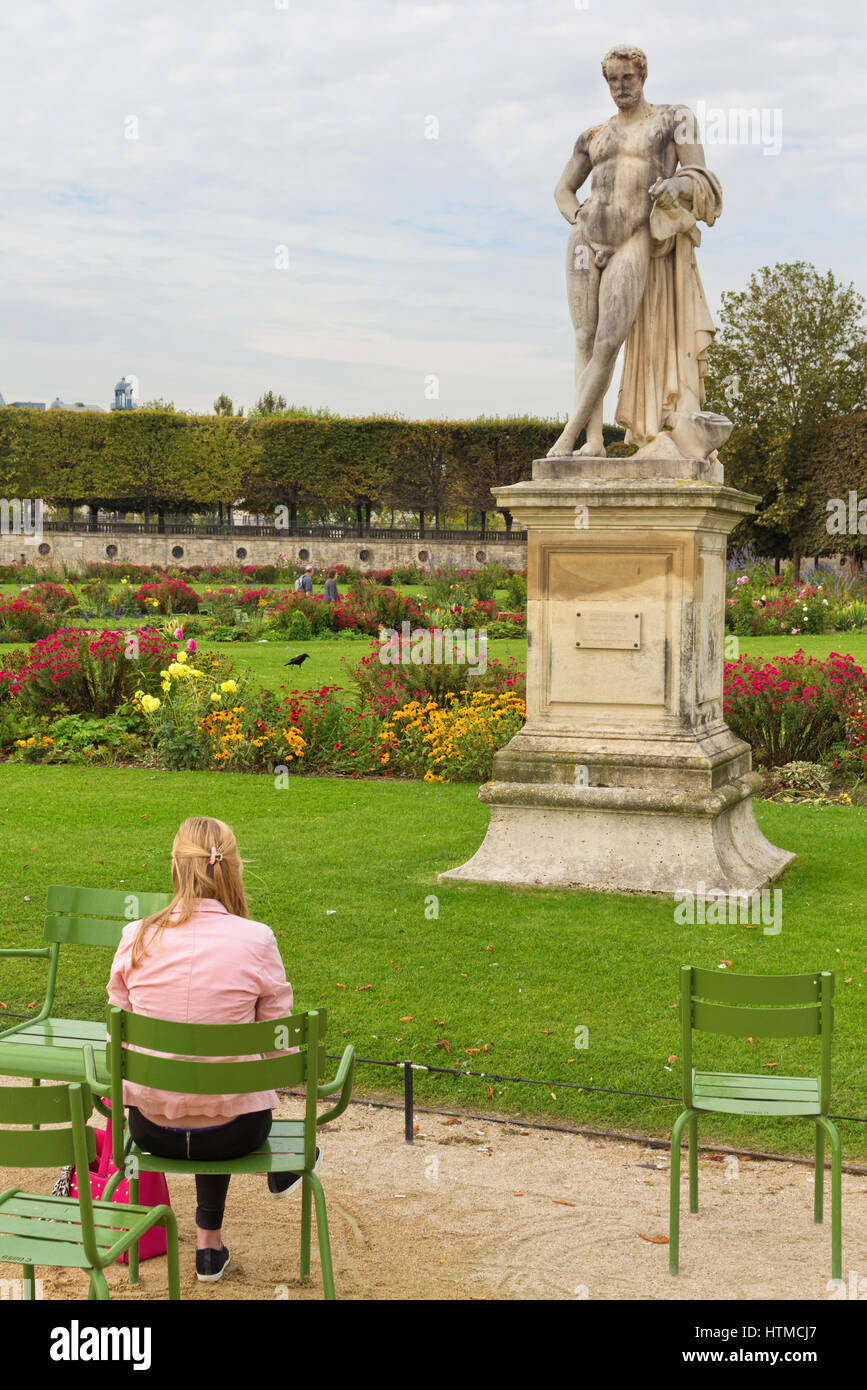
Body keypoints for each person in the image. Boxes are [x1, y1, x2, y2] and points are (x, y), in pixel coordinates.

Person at [107, 815, 315, 1284]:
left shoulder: (136, 936)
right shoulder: (256, 939)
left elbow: (115, 1038)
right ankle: (209, 1245)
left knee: (201, 1082)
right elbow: (280, 1048)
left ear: (176, 868)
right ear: (233, 867)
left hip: (149, 1130)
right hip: (235, 1134)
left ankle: (208, 1249)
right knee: (221, 1087)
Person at [548, 45, 722, 459]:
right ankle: (592, 442)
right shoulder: (592, 136)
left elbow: (701, 176)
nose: (620, 87)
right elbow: (562, 189)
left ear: (642, 77)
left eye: (627, 78)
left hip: (634, 238)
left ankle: (567, 437)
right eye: (612, 80)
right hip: (586, 238)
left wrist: (678, 186)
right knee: (584, 339)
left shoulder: (672, 119)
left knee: (609, 342)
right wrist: (576, 216)